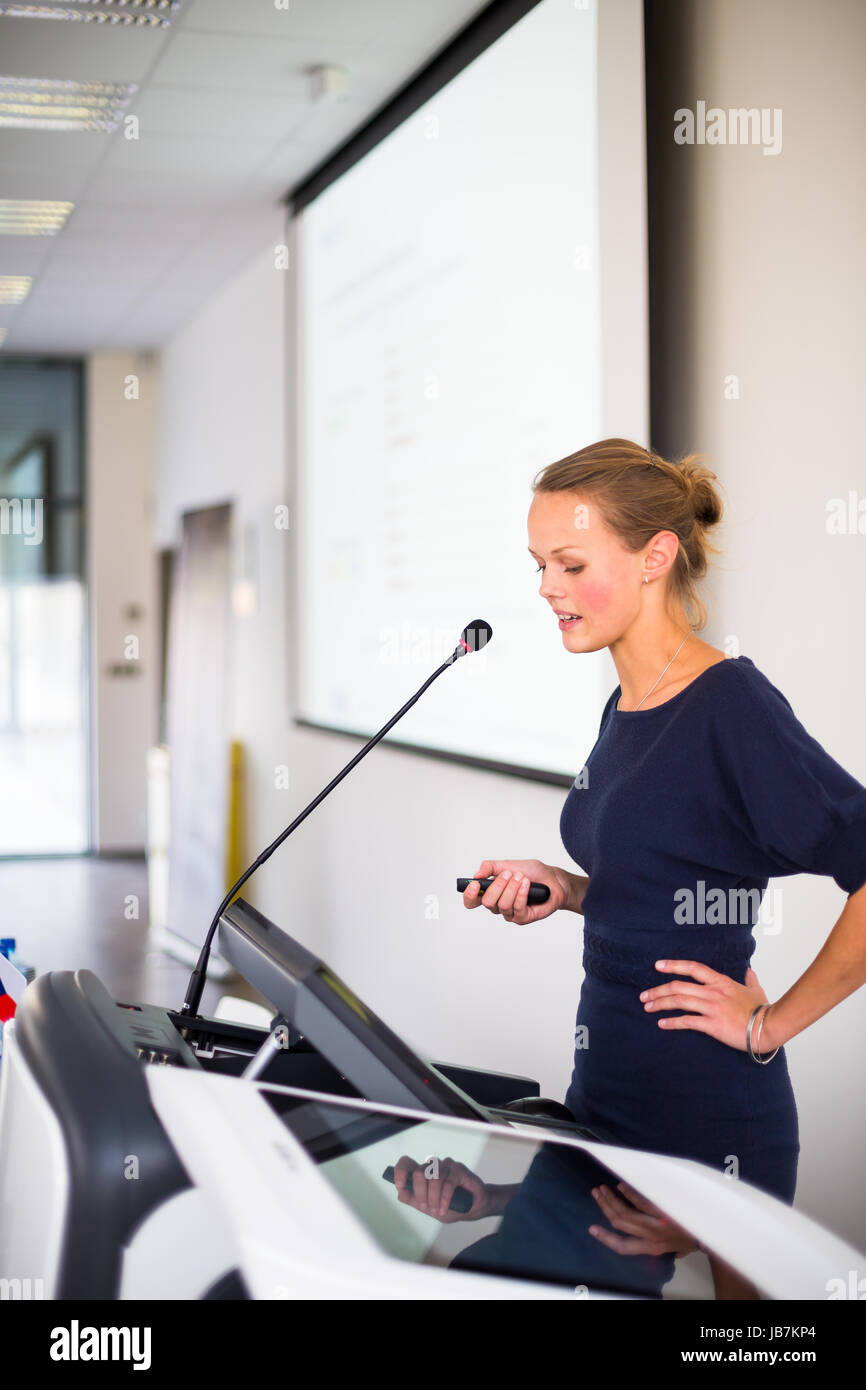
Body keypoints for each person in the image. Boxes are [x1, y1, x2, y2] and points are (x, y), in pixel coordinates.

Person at [455, 437, 866, 1299]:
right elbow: (665, 879)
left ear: (656, 557)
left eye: (570, 564)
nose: (546, 589)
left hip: (710, 1118)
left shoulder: (730, 704)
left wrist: (771, 1024)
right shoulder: (627, 703)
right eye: (539, 565)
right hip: (605, 1098)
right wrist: (570, 889)